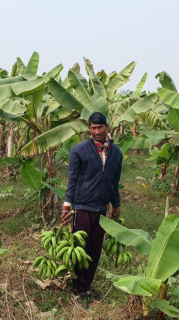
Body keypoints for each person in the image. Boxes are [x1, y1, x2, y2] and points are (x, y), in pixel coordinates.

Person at [61, 112, 122, 305]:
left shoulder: (116, 153)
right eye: (93, 128)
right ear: (89, 129)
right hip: (82, 207)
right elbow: (72, 180)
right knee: (81, 249)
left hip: (101, 208)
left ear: (107, 127)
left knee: (95, 251)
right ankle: (78, 290)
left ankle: (87, 286)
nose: (96, 131)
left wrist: (117, 204)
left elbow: (114, 182)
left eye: (100, 127)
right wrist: (67, 206)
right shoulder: (79, 150)